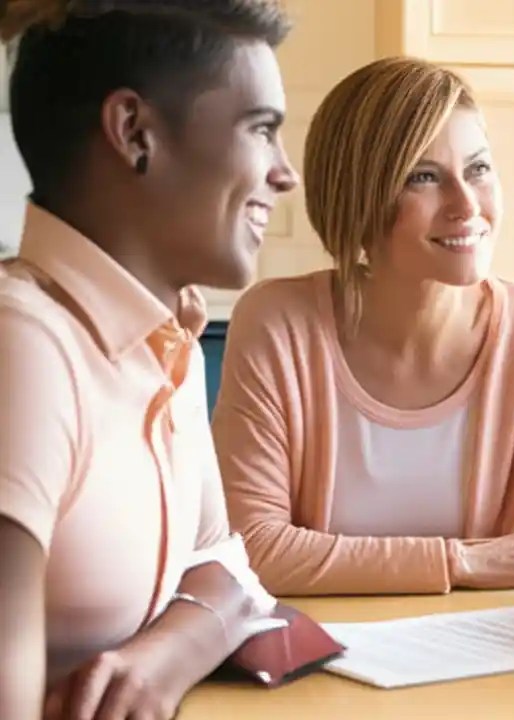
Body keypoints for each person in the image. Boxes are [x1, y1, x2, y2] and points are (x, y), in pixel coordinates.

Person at [211, 56, 514, 597]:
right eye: (424, 177)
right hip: (318, 658)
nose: (467, 205)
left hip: (474, 651)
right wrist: (459, 562)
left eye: (479, 169)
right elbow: (252, 548)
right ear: (359, 194)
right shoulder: (278, 324)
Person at [0, 0, 300, 718]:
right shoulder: (25, 350)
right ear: (135, 132)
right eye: (261, 130)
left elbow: (226, 570)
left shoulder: (167, 339)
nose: (285, 174)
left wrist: (161, 662)